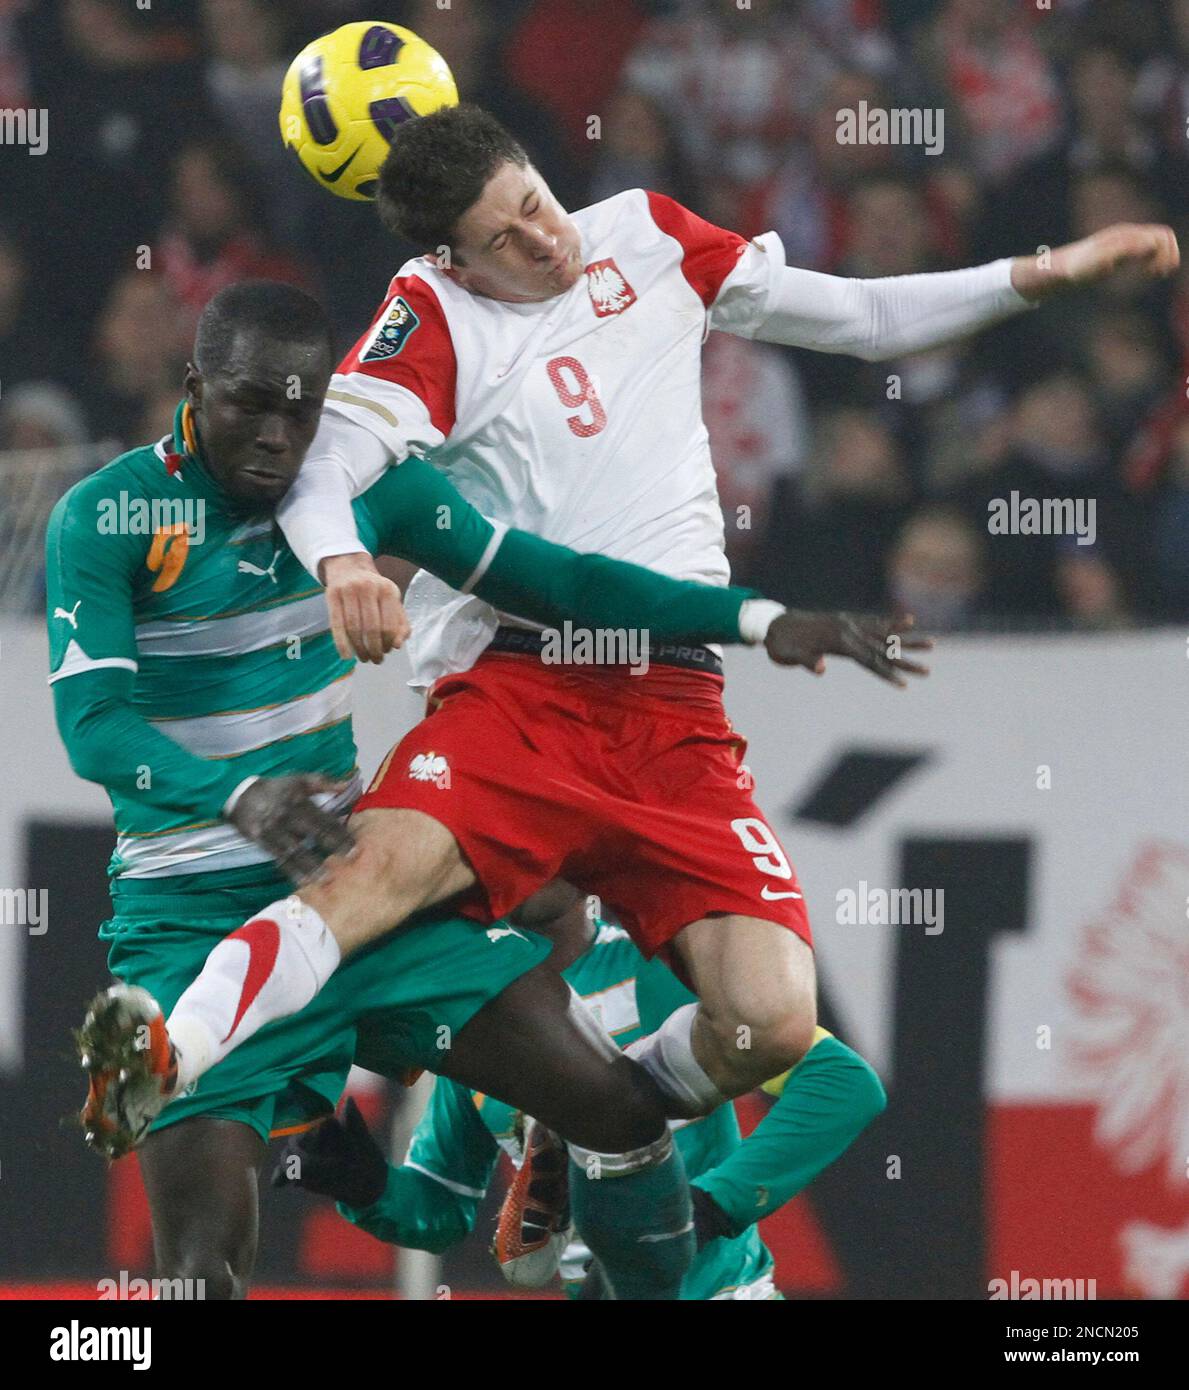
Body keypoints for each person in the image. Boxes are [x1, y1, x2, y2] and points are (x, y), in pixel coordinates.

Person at [90, 103, 1173, 1216]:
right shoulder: (429, 315)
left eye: (536, 205)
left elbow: (860, 316)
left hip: (673, 709)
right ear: (448, 257)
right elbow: (329, 461)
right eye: (503, 239)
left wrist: (1047, 271)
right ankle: (170, 1049)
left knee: (771, 1020)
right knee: (362, 880)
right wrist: (341, 565)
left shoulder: (643, 233)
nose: (543, 241)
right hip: (518, 688)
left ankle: (595, 1115)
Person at [57, 280, 906, 1298]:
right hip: (191, 915)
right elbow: (96, 727)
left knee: (619, 1112)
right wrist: (238, 797)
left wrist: (757, 619)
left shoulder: (372, 493)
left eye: (303, 408)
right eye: (250, 403)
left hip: (363, 905)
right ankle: (169, 1053)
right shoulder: (107, 517)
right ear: (193, 385)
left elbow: (570, 585)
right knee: (203, 1280)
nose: (279, 436)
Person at [274, 896, 887, 1301]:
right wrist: (367, 1187)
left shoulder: (663, 967)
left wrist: (702, 1207)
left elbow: (840, 1082)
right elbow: (443, 1208)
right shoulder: (471, 1011)